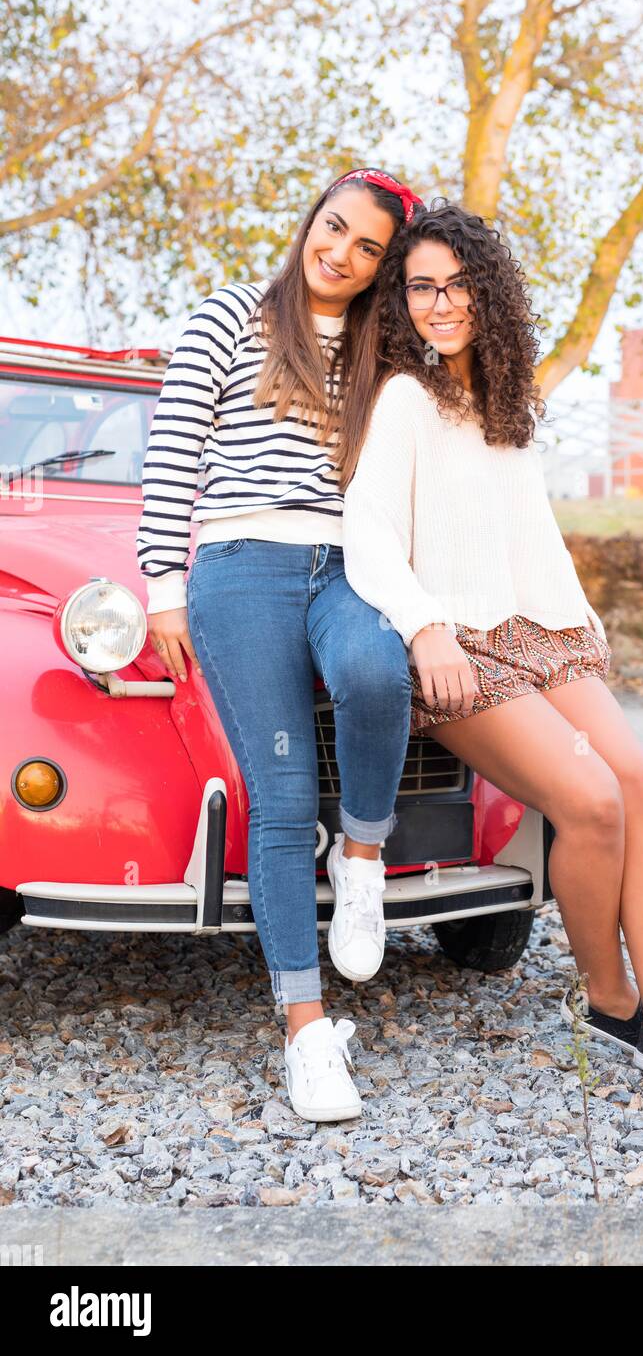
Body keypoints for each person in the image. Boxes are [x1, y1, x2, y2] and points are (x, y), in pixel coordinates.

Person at [341, 200, 643, 1096]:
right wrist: (424, 629)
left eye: (457, 285)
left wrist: (579, 630)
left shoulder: (506, 400)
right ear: (401, 301)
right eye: (420, 288)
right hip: (455, 643)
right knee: (592, 799)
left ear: (488, 292)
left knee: (639, 780)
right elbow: (367, 530)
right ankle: (611, 1006)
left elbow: (529, 530)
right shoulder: (405, 398)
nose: (440, 304)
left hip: (536, 629)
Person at [136, 169, 427, 1124]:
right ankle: (307, 1031)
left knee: (377, 671)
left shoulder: (386, 352)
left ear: (383, 266)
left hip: (347, 565)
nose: (338, 253)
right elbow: (174, 450)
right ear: (311, 223)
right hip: (239, 567)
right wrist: (162, 589)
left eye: (365, 247)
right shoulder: (228, 317)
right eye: (332, 228)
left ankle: (362, 859)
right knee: (282, 794)